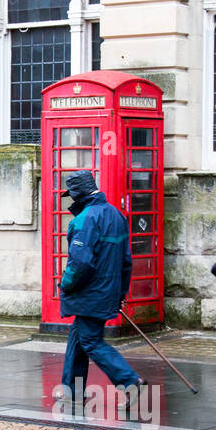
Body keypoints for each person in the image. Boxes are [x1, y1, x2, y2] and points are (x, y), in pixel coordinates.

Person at [58, 170, 142, 398]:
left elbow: (81, 263)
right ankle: (72, 391)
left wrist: (65, 284)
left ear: (78, 194)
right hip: (108, 291)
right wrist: (121, 293)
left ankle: (129, 380)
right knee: (79, 337)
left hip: (90, 294)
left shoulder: (85, 219)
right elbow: (126, 261)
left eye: (73, 195)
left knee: (91, 341)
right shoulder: (116, 215)